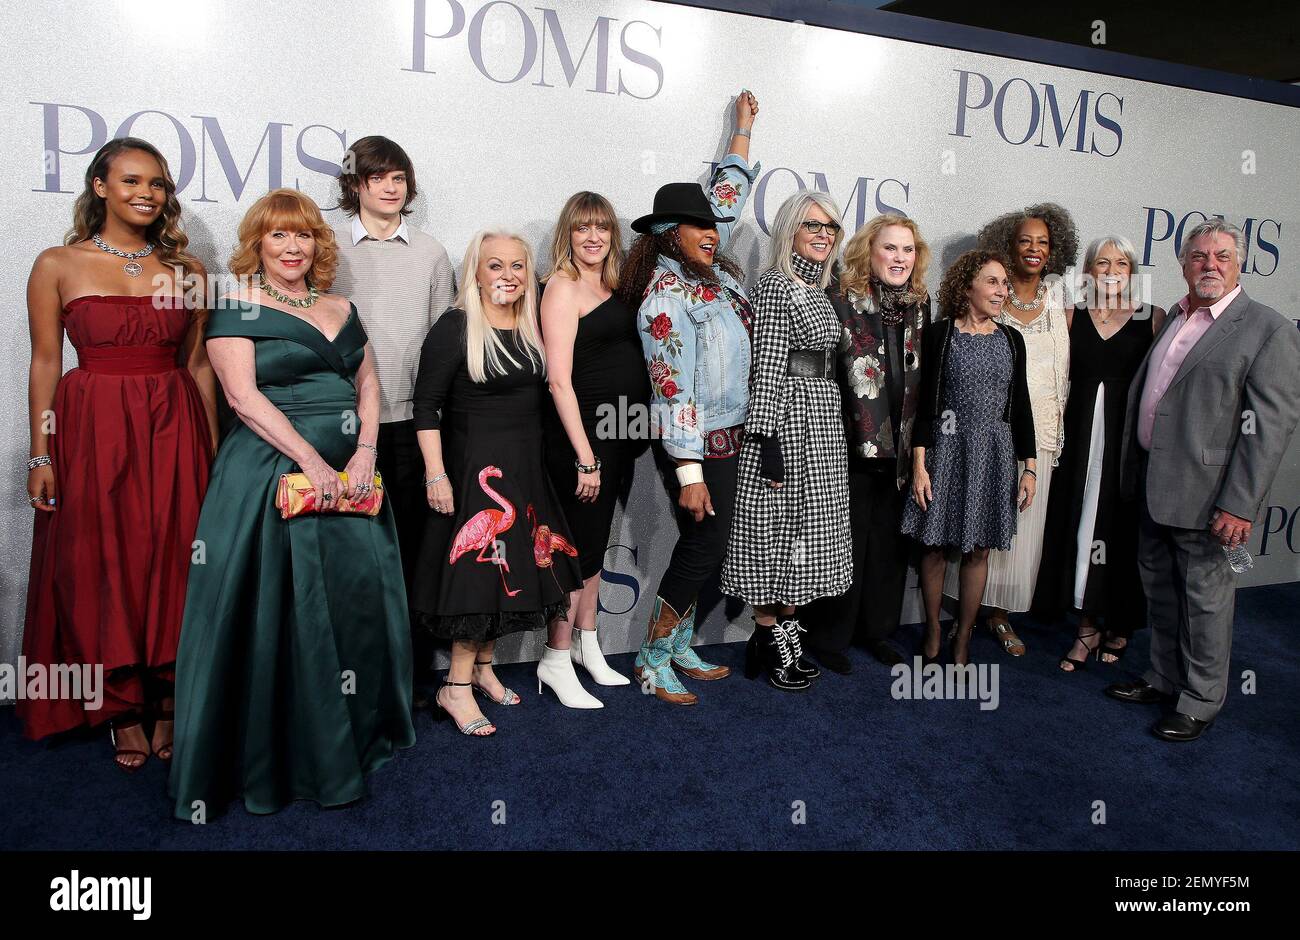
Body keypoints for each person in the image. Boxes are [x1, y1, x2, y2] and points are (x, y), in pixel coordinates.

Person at [169, 189, 414, 817]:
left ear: (317, 244)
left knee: (350, 606)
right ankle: (282, 754)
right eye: (278, 236)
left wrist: (364, 454)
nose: (291, 247)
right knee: (281, 612)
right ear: (259, 243)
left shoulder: (341, 306)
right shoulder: (237, 305)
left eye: (303, 235)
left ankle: (350, 738)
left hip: (350, 481)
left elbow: (368, 384)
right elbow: (243, 398)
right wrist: (311, 459)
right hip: (269, 475)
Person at [19, 137, 216, 772]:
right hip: (93, 427)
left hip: (173, 423)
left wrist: (211, 450)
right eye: (131, 181)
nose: (146, 194)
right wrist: (40, 454)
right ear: (99, 187)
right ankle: (118, 707)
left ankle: (163, 696)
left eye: (157, 184)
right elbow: (46, 363)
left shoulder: (188, 273)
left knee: (170, 555)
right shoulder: (57, 263)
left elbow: (199, 367)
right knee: (103, 558)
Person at [1108, 220, 1300, 741]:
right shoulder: (1177, 315)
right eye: (1198, 256)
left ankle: (1200, 700)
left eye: (1220, 256)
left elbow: (1269, 428)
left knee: (1206, 600)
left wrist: (1239, 504)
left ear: (1240, 263)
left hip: (1210, 495)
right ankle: (1163, 676)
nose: (1208, 264)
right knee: (1162, 592)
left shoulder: (1268, 329)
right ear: (1183, 263)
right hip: (1153, 482)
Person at [617, 88, 765, 705]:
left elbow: (725, 197)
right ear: (670, 236)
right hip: (693, 443)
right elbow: (671, 388)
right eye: (699, 226)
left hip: (728, 434)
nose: (713, 232)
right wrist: (687, 471)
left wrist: (742, 131)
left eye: (712, 224)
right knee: (702, 542)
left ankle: (678, 647)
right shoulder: (664, 298)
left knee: (714, 544)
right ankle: (652, 662)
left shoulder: (711, 269)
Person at [411, 230, 583, 731]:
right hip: (472, 473)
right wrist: (436, 474)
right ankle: (455, 687)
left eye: (516, 266)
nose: (507, 276)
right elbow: (425, 407)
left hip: (525, 472)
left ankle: (485, 669)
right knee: (478, 580)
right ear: (476, 271)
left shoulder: (531, 324)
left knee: (511, 577)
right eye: (495, 266)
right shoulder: (456, 326)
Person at [331, 135, 456, 705]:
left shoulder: (429, 251)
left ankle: (400, 678)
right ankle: (341, 675)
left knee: (407, 553)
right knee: (346, 554)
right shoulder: (325, 244)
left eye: (399, 178)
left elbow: (442, 340)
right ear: (354, 184)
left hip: (409, 424)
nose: (389, 186)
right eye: (377, 176)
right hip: (341, 424)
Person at [720, 191, 849, 690]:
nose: (822, 234)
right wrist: (767, 439)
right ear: (790, 230)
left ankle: (785, 633)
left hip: (821, 421)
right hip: (787, 422)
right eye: (812, 225)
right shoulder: (776, 284)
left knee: (807, 536)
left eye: (830, 227)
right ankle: (769, 636)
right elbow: (768, 362)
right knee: (776, 534)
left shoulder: (818, 286)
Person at [802, 214, 931, 674]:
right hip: (849, 444)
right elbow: (821, 374)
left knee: (888, 545)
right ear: (868, 251)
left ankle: (877, 631)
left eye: (908, 250)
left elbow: (924, 375)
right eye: (890, 248)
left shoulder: (919, 303)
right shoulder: (839, 297)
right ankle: (829, 636)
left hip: (903, 444)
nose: (900, 258)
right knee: (845, 543)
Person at [945, 204, 1075, 655]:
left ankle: (999, 616)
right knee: (979, 526)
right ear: (1008, 245)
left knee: (1021, 529)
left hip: (1040, 432)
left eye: (1043, 241)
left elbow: (1061, 372)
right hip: (988, 432)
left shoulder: (1059, 301)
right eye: (1025, 240)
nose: (1035, 249)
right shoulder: (988, 296)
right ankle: (963, 612)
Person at [1032, 236, 1165, 671]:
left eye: (1121, 264)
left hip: (1128, 447)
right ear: (1088, 270)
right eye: (1101, 263)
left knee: (1122, 531)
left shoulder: (1154, 318)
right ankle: (1086, 627)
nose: (1110, 271)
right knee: (1083, 525)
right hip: (1080, 443)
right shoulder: (1072, 315)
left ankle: (1121, 623)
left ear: (1133, 271)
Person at [901, 250, 1037, 666]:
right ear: (968, 287)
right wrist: (919, 464)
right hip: (945, 450)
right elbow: (925, 403)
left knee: (979, 550)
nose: (1001, 291)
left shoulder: (1011, 339)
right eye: (992, 282)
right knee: (934, 546)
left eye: (1003, 284)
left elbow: (1022, 408)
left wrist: (1029, 467)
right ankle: (934, 631)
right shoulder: (940, 334)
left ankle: (964, 638)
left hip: (992, 453)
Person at [540, 192, 648, 698]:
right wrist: (586, 456)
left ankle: (588, 641)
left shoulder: (617, 286)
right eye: (582, 228)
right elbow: (558, 381)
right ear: (569, 234)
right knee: (574, 551)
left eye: (602, 228)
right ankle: (555, 657)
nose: (593, 237)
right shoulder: (560, 288)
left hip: (619, 434)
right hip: (581, 442)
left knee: (596, 546)